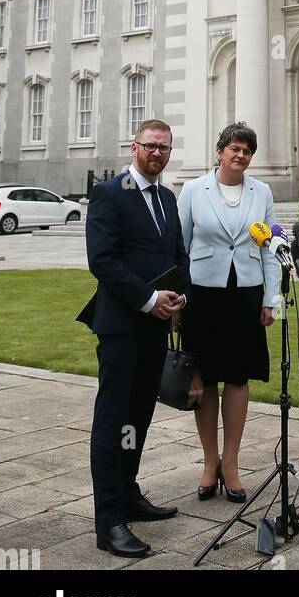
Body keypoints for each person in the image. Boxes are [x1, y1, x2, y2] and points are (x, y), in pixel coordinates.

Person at [77, 119, 191, 558]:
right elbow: (101, 260)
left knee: (137, 417)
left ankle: (128, 492)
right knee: (112, 421)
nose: (158, 154)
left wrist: (179, 298)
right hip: (123, 325)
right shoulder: (109, 193)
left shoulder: (166, 197)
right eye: (151, 146)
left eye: (165, 148)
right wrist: (147, 299)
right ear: (134, 147)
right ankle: (109, 521)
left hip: (155, 329)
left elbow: (175, 254)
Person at [177, 122, 279, 503]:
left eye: (247, 151)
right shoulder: (192, 190)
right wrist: (178, 299)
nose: (240, 155)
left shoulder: (262, 192)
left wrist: (271, 299)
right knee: (204, 379)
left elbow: (268, 248)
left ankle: (231, 462)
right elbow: (180, 249)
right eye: (234, 148)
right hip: (202, 296)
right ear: (219, 152)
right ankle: (209, 462)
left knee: (237, 377)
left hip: (246, 296)